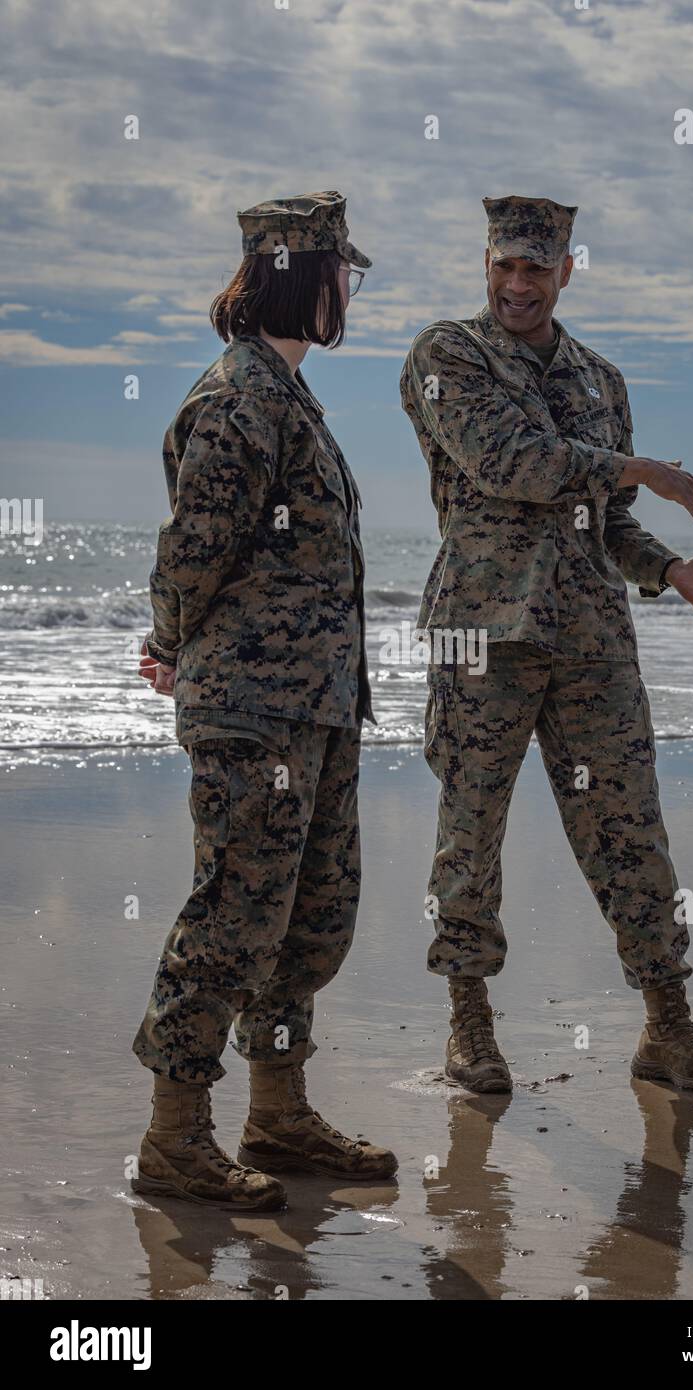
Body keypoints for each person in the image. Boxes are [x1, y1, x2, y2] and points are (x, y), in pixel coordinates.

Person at [400, 195, 693, 1096]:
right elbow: (510, 464)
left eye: (535, 267)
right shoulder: (448, 355)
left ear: (566, 269)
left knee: (629, 828)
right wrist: (640, 468)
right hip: (484, 636)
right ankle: (469, 1027)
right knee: (469, 833)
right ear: (485, 265)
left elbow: (610, 519)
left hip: (593, 637)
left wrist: (669, 570)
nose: (517, 283)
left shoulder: (600, 378)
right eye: (502, 265)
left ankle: (667, 1026)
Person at [132, 192, 397, 1211]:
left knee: (311, 920)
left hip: (317, 706)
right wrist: (170, 644)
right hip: (251, 707)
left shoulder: (291, 396)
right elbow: (193, 551)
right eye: (343, 274)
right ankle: (175, 1136)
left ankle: (278, 1114)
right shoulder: (239, 398)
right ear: (303, 274)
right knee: (236, 914)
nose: (349, 292)